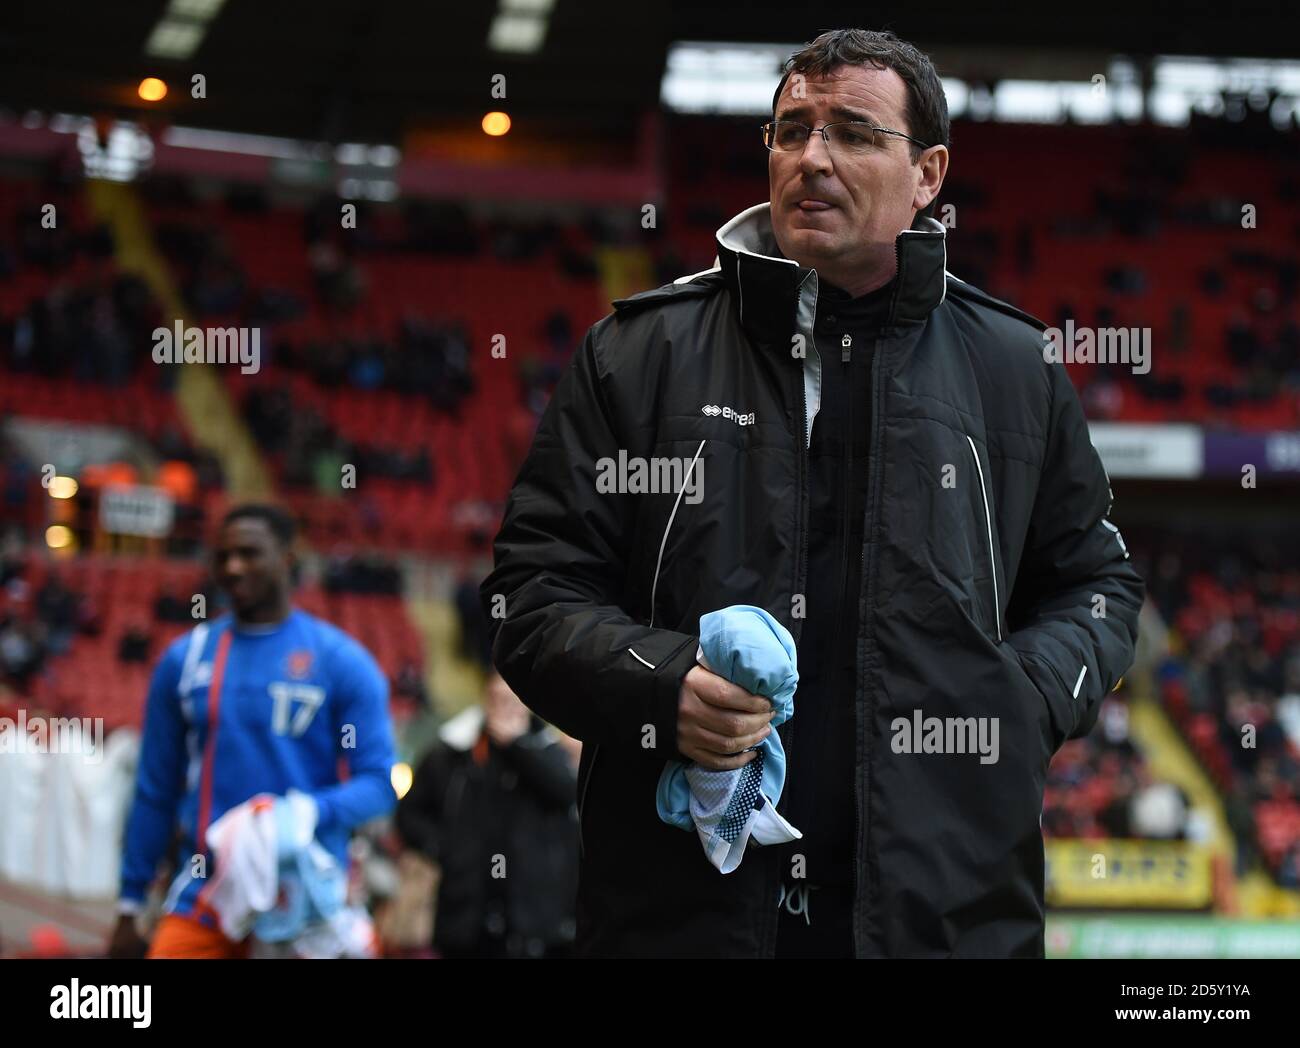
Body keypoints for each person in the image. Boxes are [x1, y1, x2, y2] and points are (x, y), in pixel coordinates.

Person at [480, 28, 1145, 958]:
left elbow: (1098, 585)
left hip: (946, 921)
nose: (811, 158)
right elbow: (532, 595)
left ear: (929, 174)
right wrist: (662, 688)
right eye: (791, 130)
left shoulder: (1013, 371)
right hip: (680, 920)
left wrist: (1021, 701)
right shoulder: (638, 356)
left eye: (855, 134)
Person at [108, 504, 397, 959]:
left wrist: (307, 812)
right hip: (205, 894)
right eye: (222, 556)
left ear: (287, 555)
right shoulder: (185, 660)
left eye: (249, 553)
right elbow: (155, 789)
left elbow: (380, 784)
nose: (233, 567)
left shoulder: (342, 662)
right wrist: (130, 903)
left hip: (304, 900)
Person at [395, 671, 578, 958]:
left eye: (513, 701)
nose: (504, 709)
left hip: (532, 917)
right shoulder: (453, 751)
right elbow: (410, 814)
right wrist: (446, 849)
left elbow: (566, 792)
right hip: (466, 915)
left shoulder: (546, 749)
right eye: (497, 700)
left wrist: (517, 747)